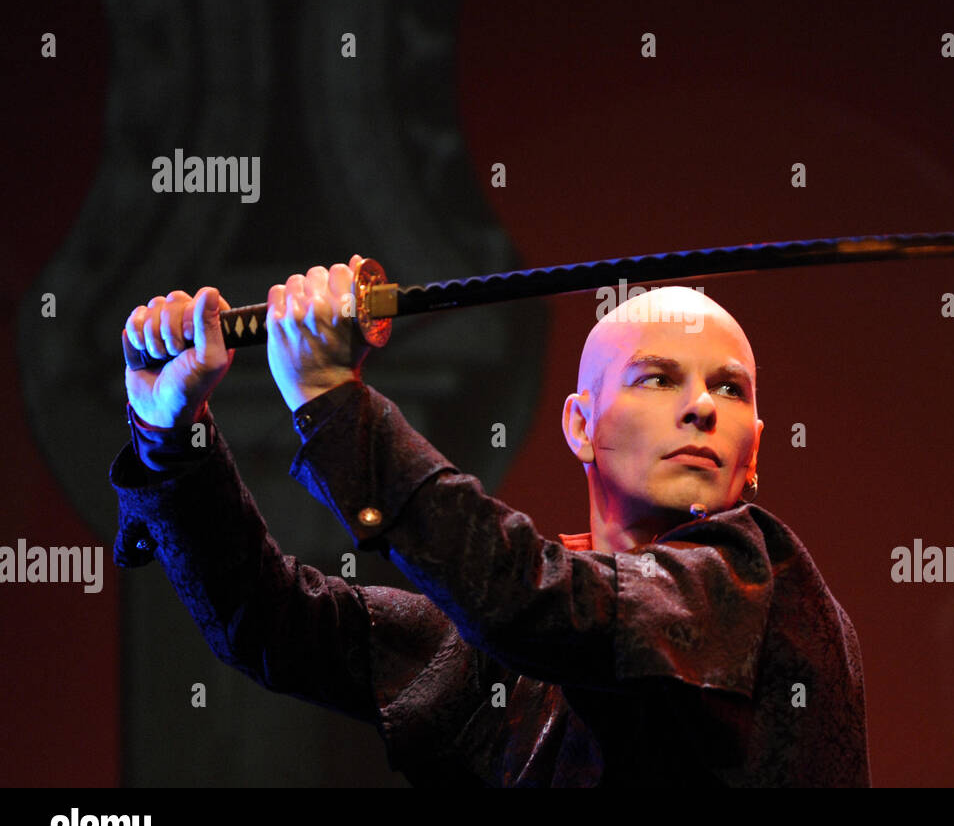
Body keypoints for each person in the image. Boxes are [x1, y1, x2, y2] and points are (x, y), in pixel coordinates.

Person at [111, 257, 871, 786]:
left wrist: (333, 401)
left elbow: (532, 601)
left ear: (756, 451)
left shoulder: (755, 578)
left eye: (731, 389)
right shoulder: (500, 659)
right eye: (657, 378)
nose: (702, 405)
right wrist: (169, 439)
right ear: (579, 425)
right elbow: (270, 623)